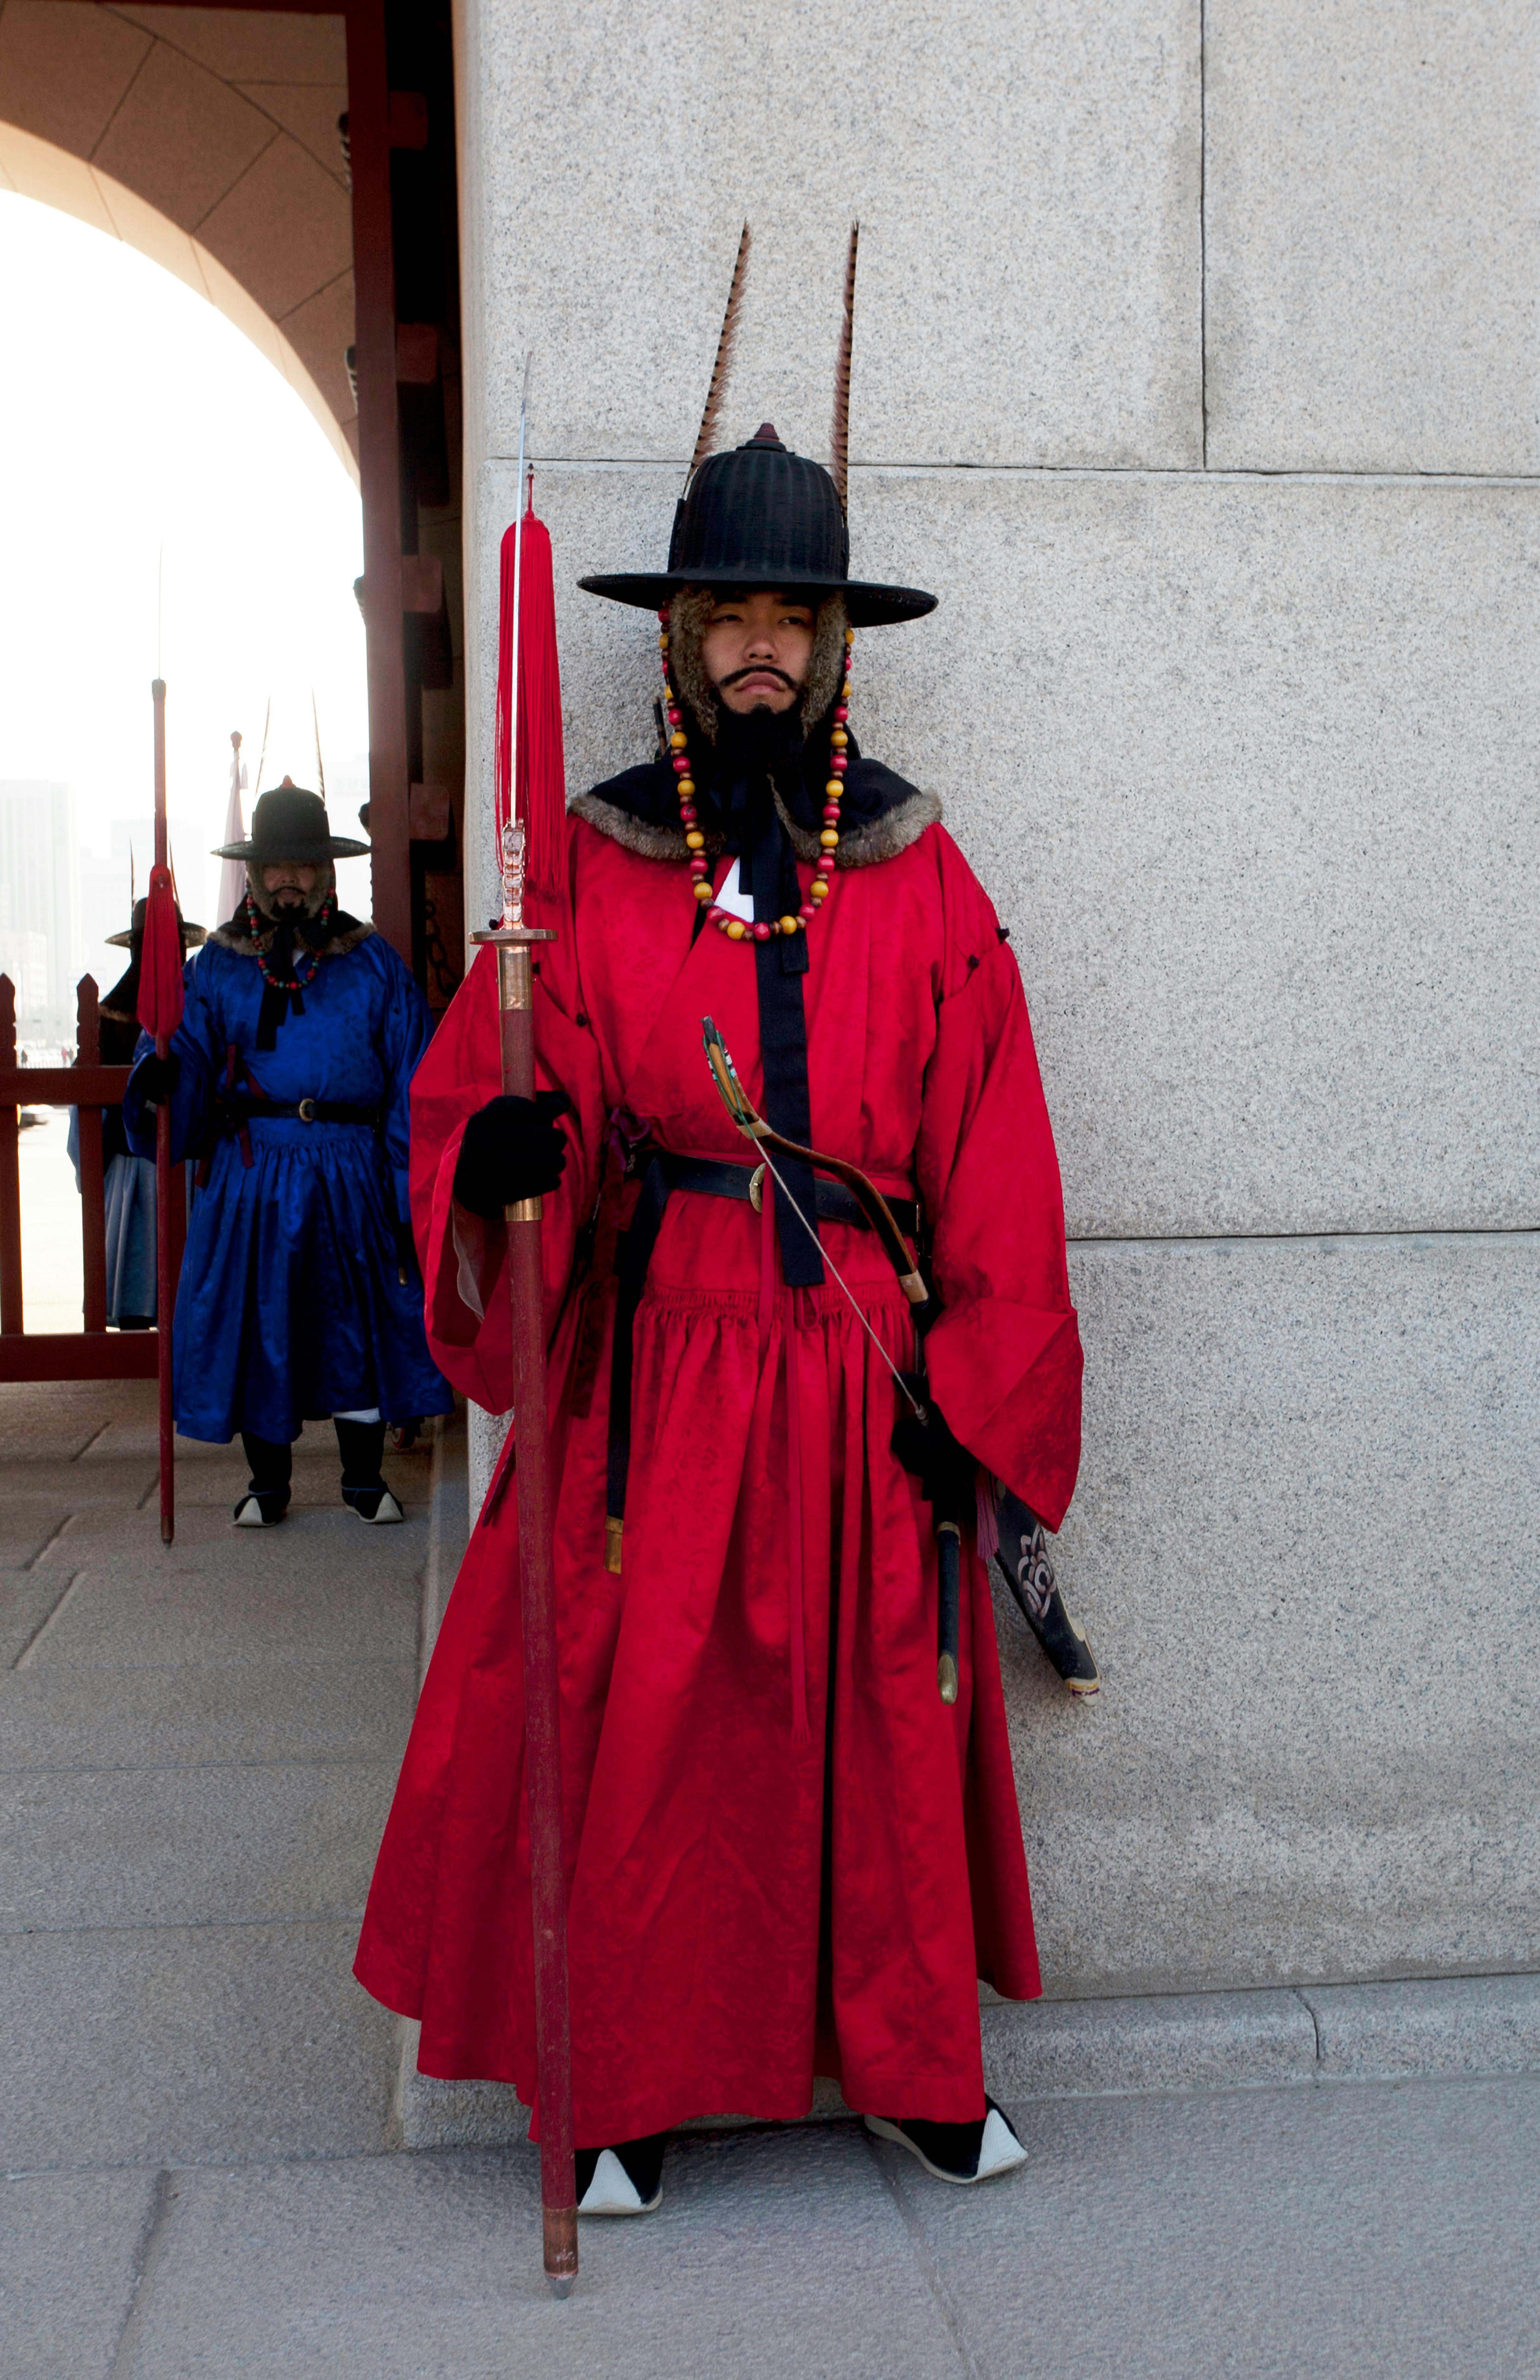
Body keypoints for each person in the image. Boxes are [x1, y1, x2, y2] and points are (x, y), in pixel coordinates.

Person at [355, 418, 1084, 2210]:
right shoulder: (589, 865)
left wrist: (975, 1385)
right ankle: (622, 2082)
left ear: (833, 647)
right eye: (727, 615)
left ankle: (916, 2070)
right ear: (677, 637)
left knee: (886, 1721)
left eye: (791, 618)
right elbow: (496, 1101)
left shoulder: (922, 869)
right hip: (662, 1365)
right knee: (656, 1729)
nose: (760, 645)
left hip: (865, 1370)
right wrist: (503, 1159)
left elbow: (997, 1150)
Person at [125, 780, 451, 1524]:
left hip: (352, 1168)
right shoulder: (216, 966)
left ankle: (362, 1478)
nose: (287, 880)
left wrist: (409, 1192)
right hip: (252, 1171)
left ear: (327, 870)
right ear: (254, 871)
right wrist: (164, 1077)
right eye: (274, 865)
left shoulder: (374, 963)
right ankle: (267, 1484)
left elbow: (413, 1079)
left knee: (353, 1322)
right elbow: (183, 1055)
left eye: (302, 864)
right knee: (261, 1323)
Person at [69, 895, 205, 1330]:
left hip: (161, 1165)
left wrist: (90, 1167)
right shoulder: (111, 1017)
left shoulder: (196, 1008)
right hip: (160, 1163)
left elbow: (82, 1129)